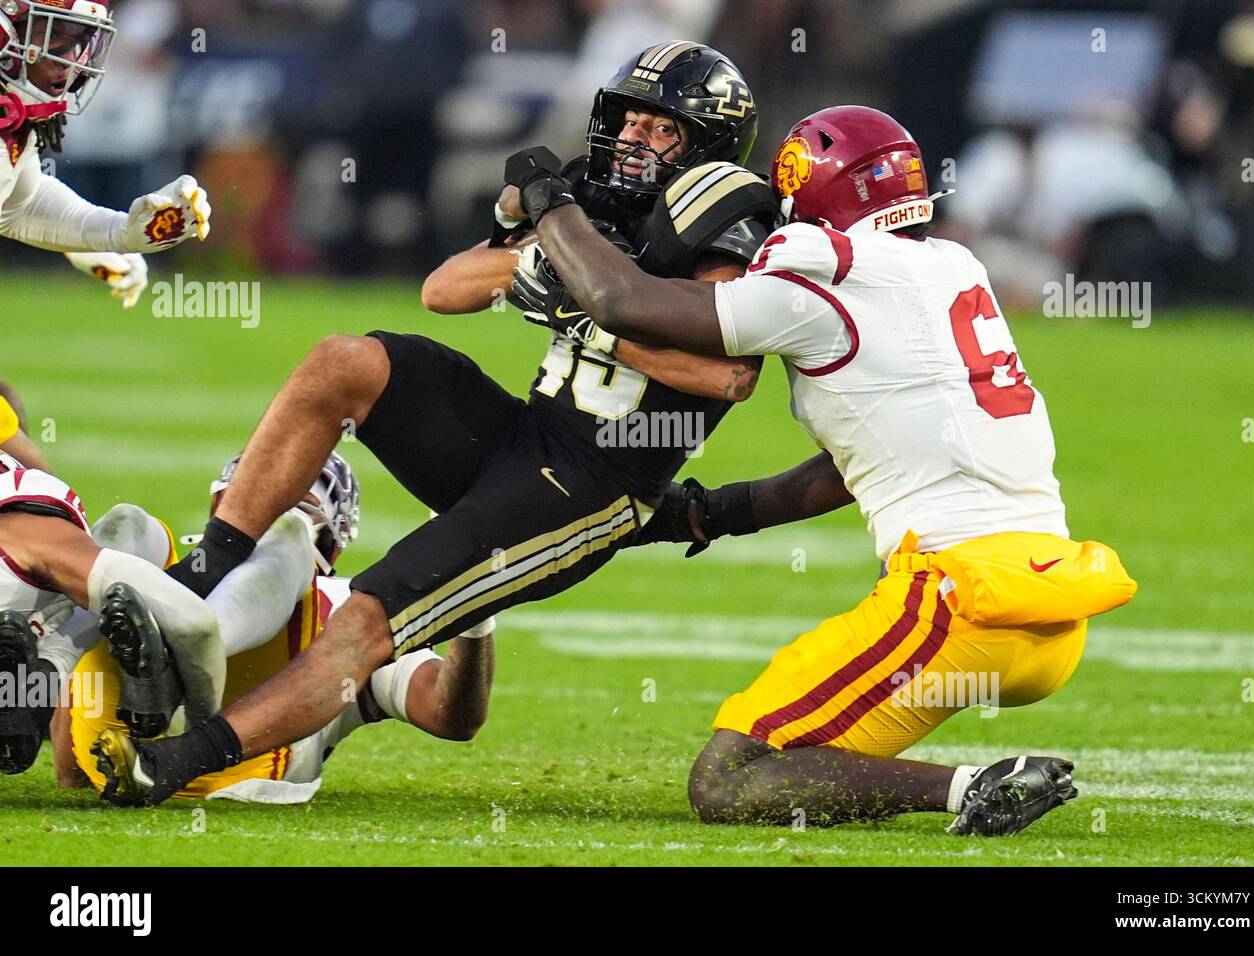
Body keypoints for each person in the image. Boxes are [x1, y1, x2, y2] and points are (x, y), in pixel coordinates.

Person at [91, 42, 779, 808]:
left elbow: (726, 374)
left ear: (708, 145)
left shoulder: (731, 224)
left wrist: (589, 311)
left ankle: (185, 758)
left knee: (367, 616)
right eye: (631, 121)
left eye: (662, 130)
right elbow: (445, 288)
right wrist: (541, 266)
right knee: (345, 361)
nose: (634, 142)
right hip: (525, 435)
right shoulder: (591, 197)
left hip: (590, 483)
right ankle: (207, 572)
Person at [496, 105, 1138, 835]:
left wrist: (552, 204)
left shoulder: (826, 277)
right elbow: (853, 463)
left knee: (728, 780)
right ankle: (967, 787)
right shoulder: (952, 268)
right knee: (804, 761)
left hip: (961, 605)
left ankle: (980, 788)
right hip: (1051, 612)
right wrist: (708, 513)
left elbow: (622, 301)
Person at [73, 452, 494, 804]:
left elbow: (450, 714)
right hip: (114, 757)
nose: (269, 515)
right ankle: (47, 656)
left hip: (231, 775)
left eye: (293, 504)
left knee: (281, 540)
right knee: (131, 527)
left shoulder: (347, 608)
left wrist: (472, 609)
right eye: (257, 502)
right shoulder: (165, 570)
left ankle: (178, 647)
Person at [0, 451, 223, 775]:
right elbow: (195, 624)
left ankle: (40, 677)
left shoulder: (32, 538)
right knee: (133, 528)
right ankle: (50, 668)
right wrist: (199, 736)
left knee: (130, 530)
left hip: (30, 600)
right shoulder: (35, 537)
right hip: (38, 586)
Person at [1, 0, 210, 307]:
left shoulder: (15, 116)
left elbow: (18, 205)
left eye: (82, 40)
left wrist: (119, 232)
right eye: (56, 35)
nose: (72, 60)